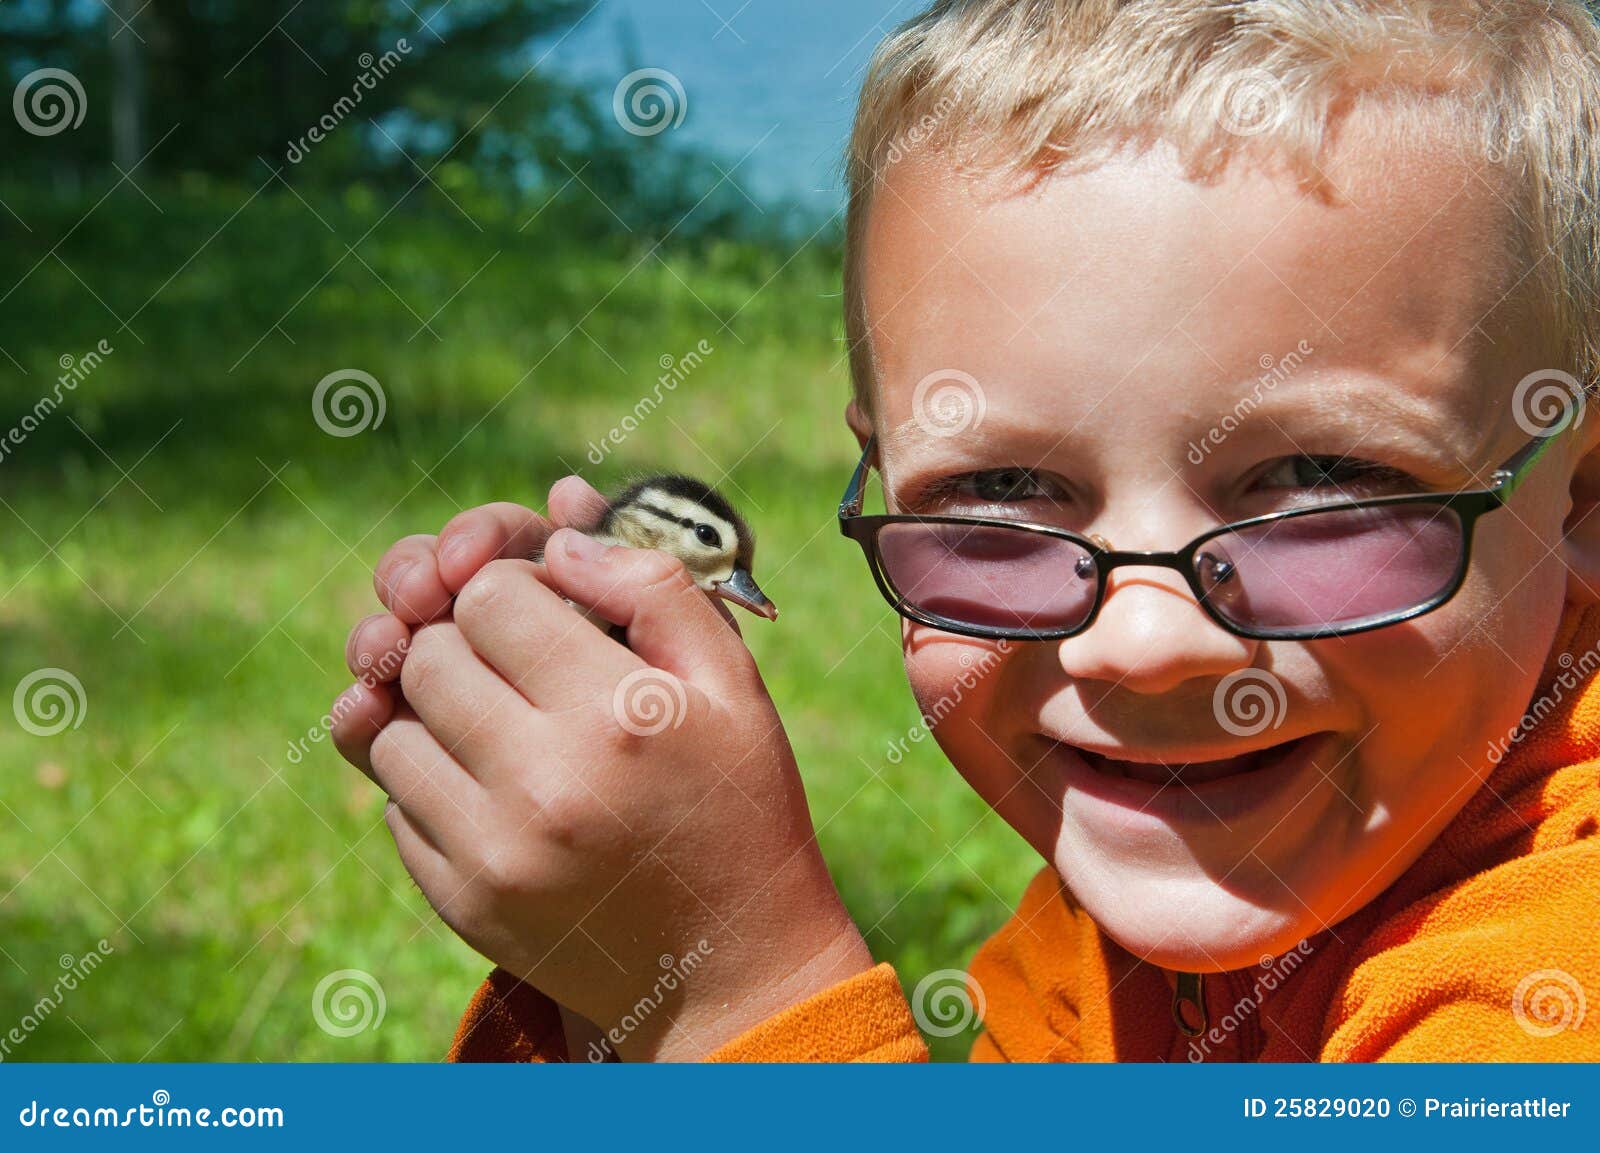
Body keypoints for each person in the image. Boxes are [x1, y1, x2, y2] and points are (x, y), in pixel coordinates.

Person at [331, 0, 1600, 1061]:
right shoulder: (1130, 935)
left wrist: (731, 988)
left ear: (1583, 506)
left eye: (1320, 479)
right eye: (997, 497)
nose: (1140, 642)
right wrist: (599, 962)